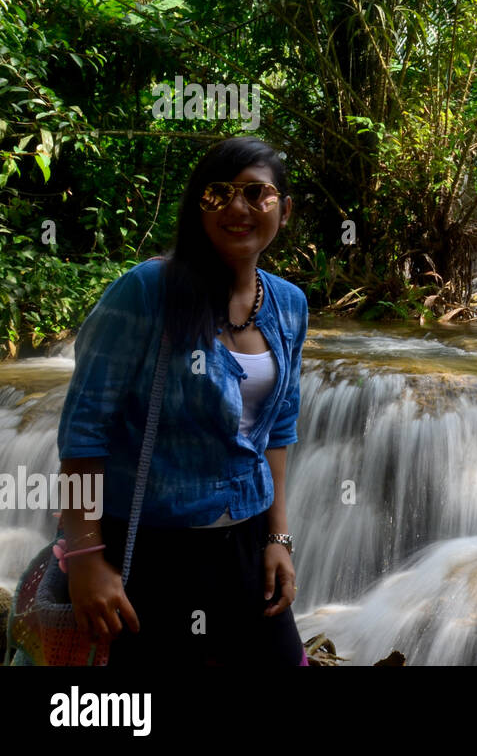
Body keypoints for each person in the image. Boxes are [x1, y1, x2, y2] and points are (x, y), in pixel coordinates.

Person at [55, 136, 309, 666]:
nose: (237, 208)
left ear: (283, 210)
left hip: (247, 543)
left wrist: (278, 538)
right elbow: (85, 430)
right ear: (198, 208)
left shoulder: (288, 304)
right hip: (148, 549)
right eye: (218, 195)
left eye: (256, 193)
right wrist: (84, 557)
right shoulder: (147, 290)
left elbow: (278, 432)